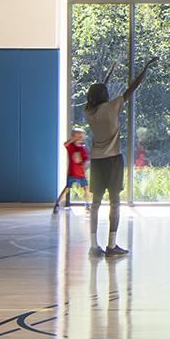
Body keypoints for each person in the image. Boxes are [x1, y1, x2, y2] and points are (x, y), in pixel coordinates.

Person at [83, 82, 125, 256]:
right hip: (113, 159)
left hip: (97, 160)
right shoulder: (109, 109)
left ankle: (94, 245)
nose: (108, 95)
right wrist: (145, 69)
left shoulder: (88, 110)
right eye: (106, 92)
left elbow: (93, 99)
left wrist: (101, 86)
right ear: (102, 96)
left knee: (95, 202)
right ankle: (111, 245)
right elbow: (131, 89)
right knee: (114, 201)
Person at [56, 126, 89, 213]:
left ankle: (87, 205)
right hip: (72, 173)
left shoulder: (82, 148)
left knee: (85, 189)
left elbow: (86, 159)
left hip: (81, 174)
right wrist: (73, 138)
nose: (81, 138)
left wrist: (85, 164)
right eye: (80, 136)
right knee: (67, 189)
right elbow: (65, 144)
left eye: (82, 137)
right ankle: (57, 205)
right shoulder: (71, 147)